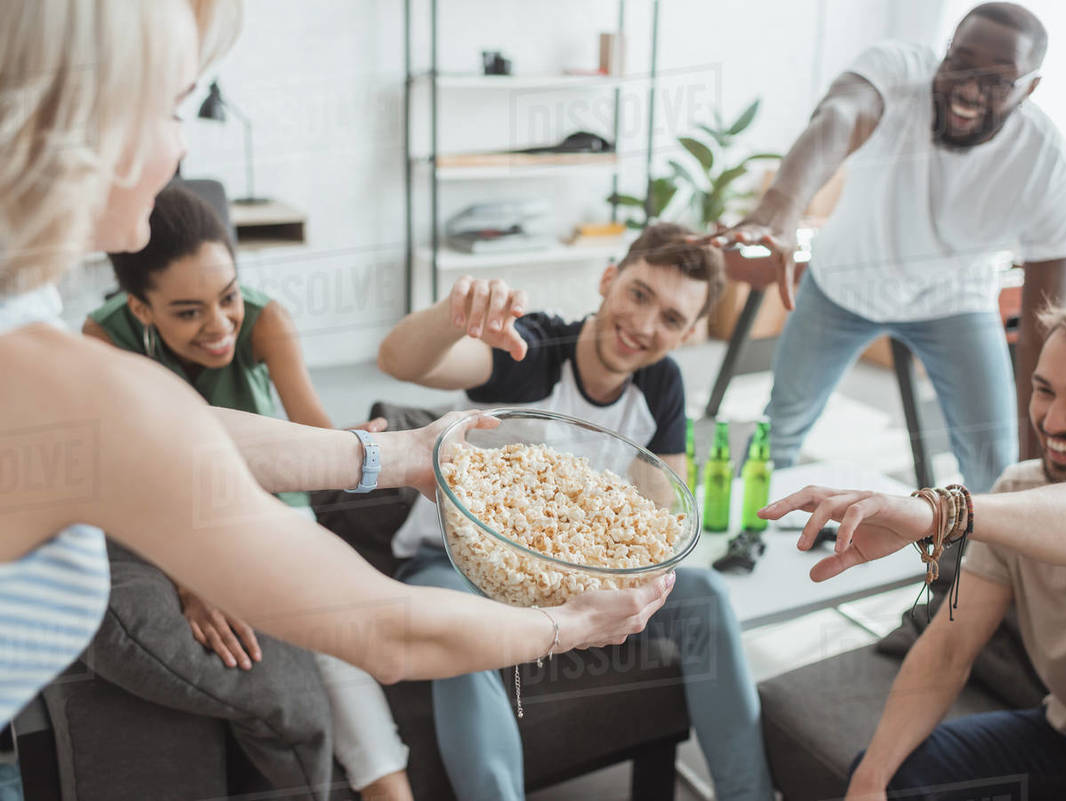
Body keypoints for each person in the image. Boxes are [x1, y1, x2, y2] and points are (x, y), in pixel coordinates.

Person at [0, 1, 671, 788]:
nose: (183, 146)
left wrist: (402, 453)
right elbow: (386, 632)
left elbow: (182, 431)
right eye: (173, 106)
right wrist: (567, 623)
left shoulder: (30, 320)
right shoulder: (75, 377)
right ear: (77, 122)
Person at [371, 223, 775, 801]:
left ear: (686, 334)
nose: (643, 325)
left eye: (670, 318)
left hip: (579, 572)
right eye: (638, 295)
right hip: (458, 560)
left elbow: (663, 513)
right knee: (465, 633)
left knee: (706, 593)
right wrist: (453, 313)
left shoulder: (661, 384)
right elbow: (398, 359)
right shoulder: (531, 350)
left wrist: (625, 571)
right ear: (608, 280)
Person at [760, 299, 1066, 800]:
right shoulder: (1019, 490)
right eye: (1043, 391)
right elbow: (949, 647)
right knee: (892, 776)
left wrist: (939, 513)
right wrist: (870, 782)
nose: (1053, 421)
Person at [81, 184, 412, 801]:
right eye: (188, 311)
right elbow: (126, 484)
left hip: (272, 514)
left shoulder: (267, 321)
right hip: (176, 519)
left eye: (228, 296)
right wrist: (189, 577)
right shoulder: (102, 342)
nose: (219, 324)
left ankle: (389, 788)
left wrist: (355, 445)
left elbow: (313, 432)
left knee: (342, 645)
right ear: (141, 308)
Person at [708, 2, 1066, 491]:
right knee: (780, 425)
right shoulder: (896, 70)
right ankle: (744, 535)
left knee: (997, 458)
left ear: (1030, 88)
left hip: (955, 304)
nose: (970, 89)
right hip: (843, 285)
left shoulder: (1047, 164)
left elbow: (1046, 325)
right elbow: (840, 115)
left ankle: (996, 559)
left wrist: (1044, 480)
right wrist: (779, 207)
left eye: (997, 81)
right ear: (944, 51)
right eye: (960, 63)